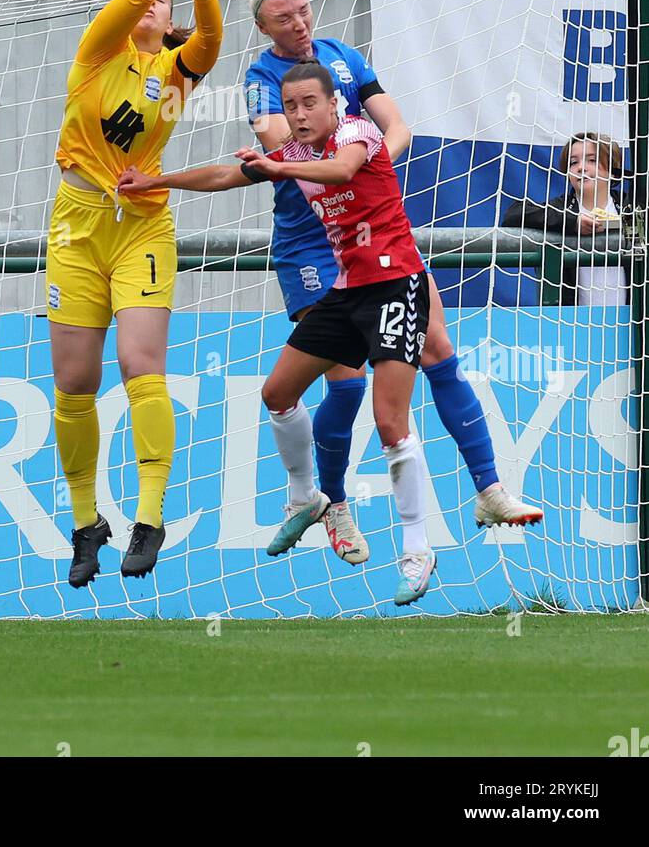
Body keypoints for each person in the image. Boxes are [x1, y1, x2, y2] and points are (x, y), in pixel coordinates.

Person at [241, 0, 542, 560]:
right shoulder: (260, 81)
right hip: (313, 244)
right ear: (263, 29)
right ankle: (332, 504)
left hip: (379, 232)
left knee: (440, 352)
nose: (300, 25)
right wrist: (347, 162)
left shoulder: (344, 57)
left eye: (303, 12)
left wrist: (373, 164)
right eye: (285, 20)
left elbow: (395, 124)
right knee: (346, 385)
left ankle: (490, 489)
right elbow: (282, 150)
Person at [119, 61, 444, 604]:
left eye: (308, 103)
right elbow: (226, 175)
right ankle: (304, 498)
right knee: (277, 393)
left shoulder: (357, 132)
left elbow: (342, 172)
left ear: (334, 102)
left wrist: (278, 168)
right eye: (290, 106)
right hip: (346, 291)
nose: (298, 115)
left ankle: (417, 547)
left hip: (395, 284)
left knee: (390, 422)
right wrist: (158, 181)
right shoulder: (290, 156)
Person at [49, 0, 228, 589]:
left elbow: (207, 44)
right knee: (73, 382)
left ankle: (149, 517)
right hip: (76, 226)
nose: (150, 3)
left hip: (143, 227)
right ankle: (86, 520)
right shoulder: (98, 54)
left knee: (139, 366)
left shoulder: (175, 74)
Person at [503, 133, 631, 306]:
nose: (581, 168)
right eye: (573, 162)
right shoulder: (562, 207)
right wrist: (573, 222)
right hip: (573, 321)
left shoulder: (630, 206)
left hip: (631, 320)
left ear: (613, 170)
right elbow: (514, 214)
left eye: (592, 160)